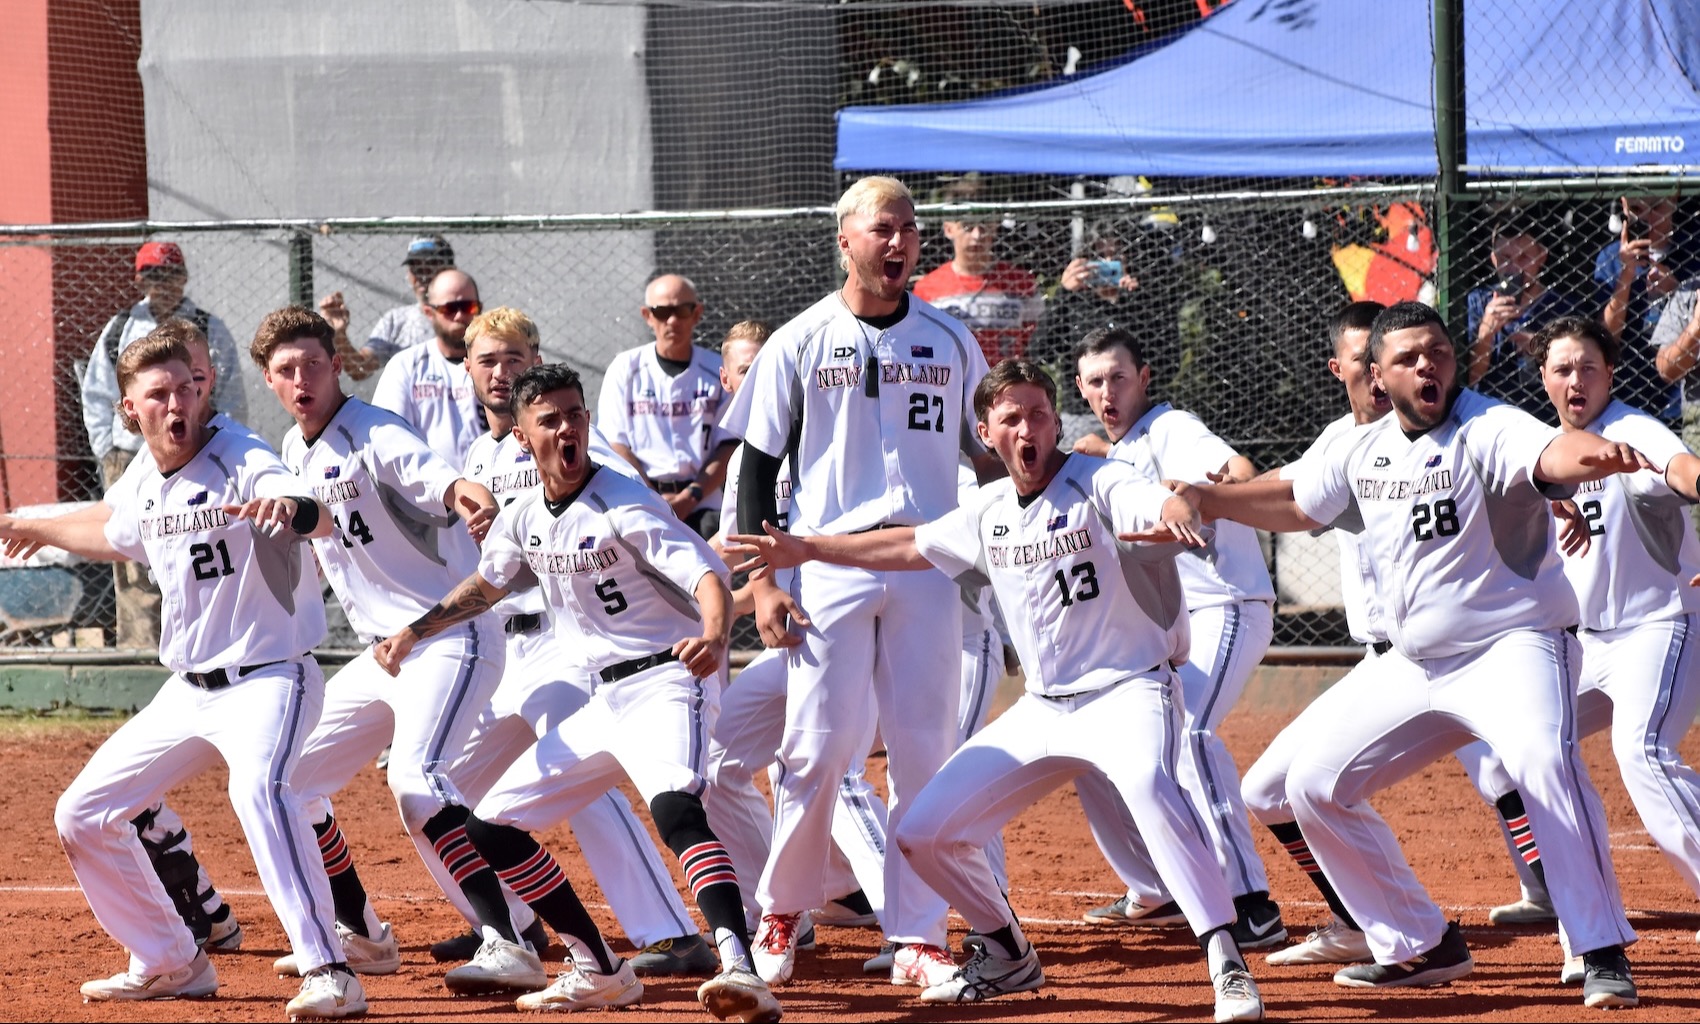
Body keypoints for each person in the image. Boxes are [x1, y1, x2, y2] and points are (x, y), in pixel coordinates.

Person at [723, 358, 1265, 1021]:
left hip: (1128, 691)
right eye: (1011, 417)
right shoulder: (987, 509)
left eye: (1040, 413)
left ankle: (1226, 961)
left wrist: (1180, 506)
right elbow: (906, 547)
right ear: (985, 432)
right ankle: (1008, 951)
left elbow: (1149, 499)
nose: (1029, 427)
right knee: (924, 833)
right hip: (1044, 707)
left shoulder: (1096, 480)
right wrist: (806, 549)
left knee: (1153, 787)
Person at [1177, 300, 1646, 1009]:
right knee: (1311, 785)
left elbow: (1552, 452)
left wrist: (1593, 456)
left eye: (1438, 352)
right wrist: (1210, 500)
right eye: (1409, 357)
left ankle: (1600, 949)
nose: (1428, 365)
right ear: (1377, 375)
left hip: (1512, 645)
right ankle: (1419, 942)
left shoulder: (1486, 425)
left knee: (1544, 761)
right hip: (1416, 662)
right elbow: (1297, 504)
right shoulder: (1361, 447)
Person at [371, 363, 781, 1022]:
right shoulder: (527, 512)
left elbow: (703, 573)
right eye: (551, 419)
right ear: (526, 436)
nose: (568, 428)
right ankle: (597, 965)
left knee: (677, 810)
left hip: (668, 678)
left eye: (576, 415)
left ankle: (741, 965)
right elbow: (487, 583)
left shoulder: (623, 501)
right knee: (492, 826)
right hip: (600, 702)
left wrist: (712, 633)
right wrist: (415, 631)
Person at [2, 333, 364, 1019]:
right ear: (131, 409)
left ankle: (331, 970)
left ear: (202, 390)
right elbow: (116, 527)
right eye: (159, 394)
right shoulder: (146, 471)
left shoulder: (240, 453)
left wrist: (293, 508)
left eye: (186, 387)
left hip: (269, 677)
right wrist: (39, 528)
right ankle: (171, 959)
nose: (178, 403)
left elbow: (305, 507)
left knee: (261, 789)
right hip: (190, 690)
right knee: (83, 813)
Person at [717, 175, 995, 991]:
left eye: (909, 228)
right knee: (816, 750)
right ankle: (781, 909)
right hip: (827, 564)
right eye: (883, 228)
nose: (899, 241)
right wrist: (764, 584)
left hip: (925, 566)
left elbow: (987, 450)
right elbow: (756, 470)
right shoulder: (799, 341)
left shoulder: (949, 340)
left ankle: (918, 935)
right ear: (846, 239)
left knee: (923, 753)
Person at [248, 307, 546, 994]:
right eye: (287, 370)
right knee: (290, 780)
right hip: (386, 651)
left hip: (449, 636)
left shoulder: (375, 429)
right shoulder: (296, 453)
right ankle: (365, 935)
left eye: (314, 365)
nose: (303, 380)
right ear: (270, 379)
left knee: (415, 781)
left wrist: (470, 498)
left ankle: (510, 939)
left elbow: (438, 479)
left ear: (335, 366)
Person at [445, 305, 719, 979]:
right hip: (507, 648)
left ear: (535, 361)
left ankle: (673, 931)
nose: (502, 371)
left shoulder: (581, 449)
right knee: (452, 783)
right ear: (469, 373)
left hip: (572, 644)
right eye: (488, 359)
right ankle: (507, 927)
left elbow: (632, 515)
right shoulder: (479, 456)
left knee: (582, 780)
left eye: (516, 357)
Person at [1462, 315, 1700, 981]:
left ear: (1611, 375)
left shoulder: (1632, 430)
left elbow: (1680, 468)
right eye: (1562, 368)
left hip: (1662, 626)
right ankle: (1571, 906)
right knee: (1509, 762)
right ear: (1543, 378)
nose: (1575, 379)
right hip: (1588, 646)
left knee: (1641, 750)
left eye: (1588, 367)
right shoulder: (1536, 450)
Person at [1067, 326, 1285, 949]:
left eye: (1119, 376)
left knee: (1190, 733)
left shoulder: (1169, 428)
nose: (1109, 390)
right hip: (1174, 621)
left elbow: (1233, 469)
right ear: (1082, 389)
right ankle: (1158, 887)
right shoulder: (1110, 455)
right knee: (1097, 744)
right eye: (1096, 381)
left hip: (1229, 601)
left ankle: (1252, 904)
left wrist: (1226, 480)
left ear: (1144, 378)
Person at [701, 319, 888, 949]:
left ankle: (911, 925)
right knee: (717, 759)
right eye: (745, 369)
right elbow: (736, 558)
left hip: (859, 631)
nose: (759, 379)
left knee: (833, 770)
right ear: (726, 380)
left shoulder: (836, 435)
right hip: (794, 645)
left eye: (768, 367)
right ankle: (810, 899)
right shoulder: (743, 467)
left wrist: (748, 598)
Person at [79, 240, 247, 648]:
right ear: (140, 279)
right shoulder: (121, 327)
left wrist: (222, 441)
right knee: (133, 558)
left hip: (192, 448)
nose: (163, 284)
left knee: (195, 545)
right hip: (129, 451)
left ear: (184, 277)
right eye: (153, 276)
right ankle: (139, 648)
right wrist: (109, 449)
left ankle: (201, 641)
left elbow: (231, 391)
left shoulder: (206, 327)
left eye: (170, 275)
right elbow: (98, 392)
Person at [597, 274, 738, 538]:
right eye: (662, 312)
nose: (672, 320)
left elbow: (728, 444)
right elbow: (616, 443)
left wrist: (690, 496)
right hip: (639, 496)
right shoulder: (625, 369)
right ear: (647, 316)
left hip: (703, 500)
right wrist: (652, 497)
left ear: (697, 313)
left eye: (682, 310)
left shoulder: (717, 369)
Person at [912, 178, 1043, 364]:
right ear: (949, 229)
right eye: (967, 227)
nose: (977, 235)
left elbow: (1038, 344)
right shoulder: (927, 289)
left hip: (1007, 385)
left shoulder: (1021, 282)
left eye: (984, 226)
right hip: (953, 387)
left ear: (996, 225)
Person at [371, 267, 485, 470]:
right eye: (449, 309)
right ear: (429, 312)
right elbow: (387, 436)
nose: (459, 316)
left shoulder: (501, 364)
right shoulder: (406, 365)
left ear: (479, 308)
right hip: (429, 491)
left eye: (468, 307)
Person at [1465, 219, 1579, 418]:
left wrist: (1542, 347)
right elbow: (1470, 377)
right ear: (1493, 259)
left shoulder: (1563, 306)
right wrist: (1486, 332)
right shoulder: (1478, 302)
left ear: (1542, 256)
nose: (1514, 267)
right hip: (1489, 412)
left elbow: (1577, 370)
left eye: (1524, 257)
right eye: (1505, 258)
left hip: (1545, 414)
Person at [1596, 196, 1696, 421]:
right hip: (1627, 392)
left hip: (1682, 395)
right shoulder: (1610, 257)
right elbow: (1605, 338)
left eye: (1657, 207)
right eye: (1636, 208)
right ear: (1623, 206)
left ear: (1674, 200)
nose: (1647, 217)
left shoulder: (1693, 250)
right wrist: (1627, 275)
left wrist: (1678, 291)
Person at [319, 234, 456, 381]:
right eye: (416, 268)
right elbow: (360, 369)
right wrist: (339, 334)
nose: (422, 276)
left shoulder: (464, 318)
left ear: (450, 271)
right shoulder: (395, 321)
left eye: (430, 267)